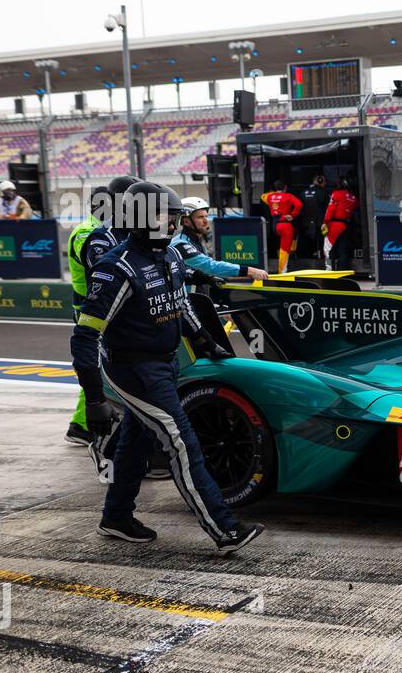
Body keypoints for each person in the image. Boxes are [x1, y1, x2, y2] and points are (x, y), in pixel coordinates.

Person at [70, 181, 264, 554]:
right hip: (133, 371)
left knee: (136, 440)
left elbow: (181, 306)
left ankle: (116, 518)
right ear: (139, 219)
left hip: (165, 363)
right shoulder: (117, 269)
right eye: (164, 217)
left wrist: (205, 342)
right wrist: (95, 398)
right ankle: (225, 530)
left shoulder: (171, 258)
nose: (172, 225)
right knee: (181, 442)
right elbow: (84, 337)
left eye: (175, 218)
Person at [63, 184, 111, 445]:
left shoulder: (103, 230)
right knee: (96, 367)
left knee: (103, 366)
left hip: (101, 308)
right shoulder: (86, 232)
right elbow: (101, 271)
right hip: (90, 310)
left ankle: (84, 422)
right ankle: (81, 425)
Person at [172, 196, 269, 284]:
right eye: (200, 217)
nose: (206, 221)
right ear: (186, 221)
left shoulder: (195, 240)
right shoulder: (181, 244)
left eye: (206, 216)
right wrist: (249, 271)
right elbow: (209, 266)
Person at [261, 179, 303, 274]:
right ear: (285, 188)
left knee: (289, 240)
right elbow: (299, 204)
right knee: (284, 250)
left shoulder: (269, 196)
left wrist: (273, 195)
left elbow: (262, 196)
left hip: (275, 226)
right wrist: (292, 215)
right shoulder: (288, 196)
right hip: (285, 225)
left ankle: (291, 251)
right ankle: (282, 272)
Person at [322, 178, 359, 270]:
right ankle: (342, 271)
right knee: (343, 249)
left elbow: (330, 209)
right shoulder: (353, 198)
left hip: (334, 225)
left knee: (328, 248)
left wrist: (325, 222)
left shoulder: (336, 194)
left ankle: (329, 270)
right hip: (346, 226)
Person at [298, 174, 331, 263]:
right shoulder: (324, 192)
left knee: (308, 242)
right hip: (321, 223)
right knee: (322, 242)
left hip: (306, 224)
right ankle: (322, 259)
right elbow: (329, 207)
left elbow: (298, 207)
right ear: (320, 181)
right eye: (325, 181)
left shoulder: (303, 193)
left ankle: (309, 257)